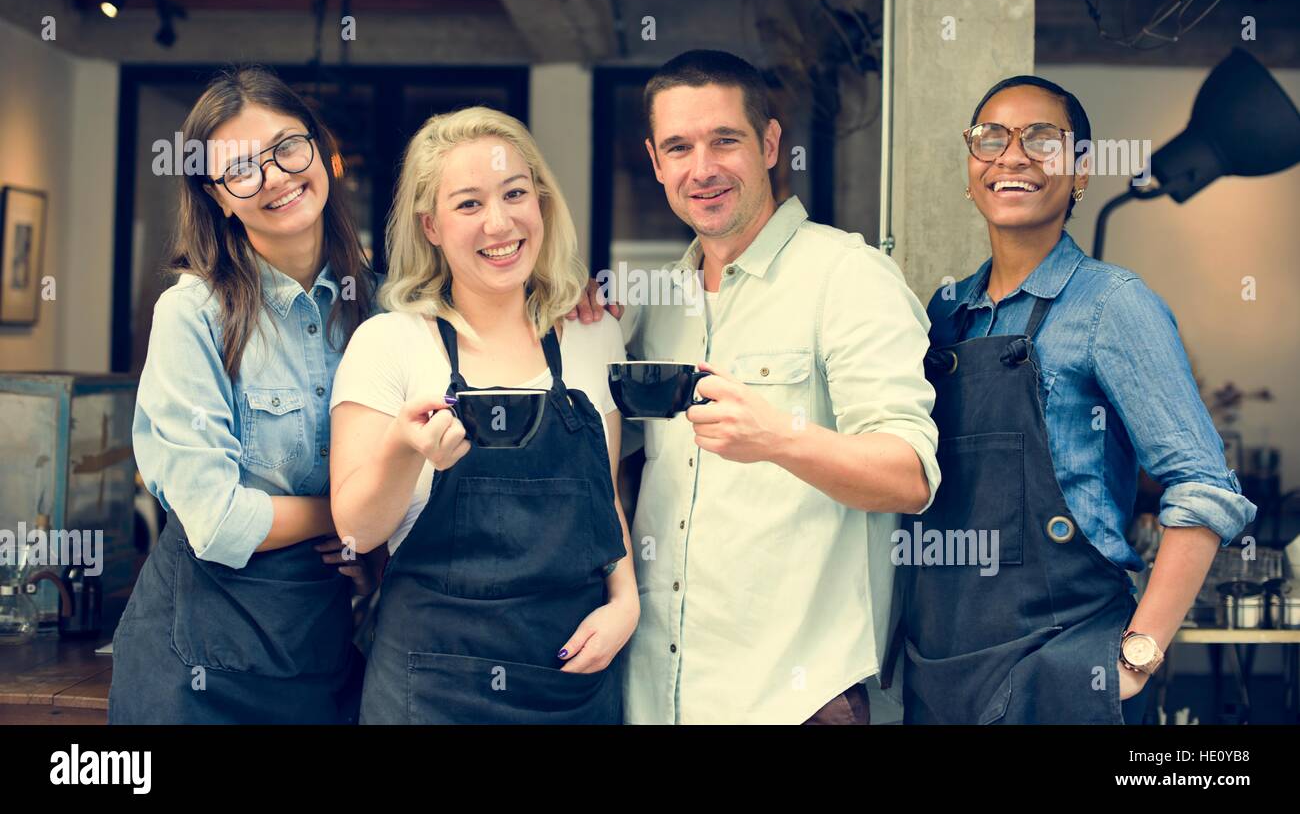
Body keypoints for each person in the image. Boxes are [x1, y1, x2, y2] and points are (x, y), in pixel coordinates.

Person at [888, 75, 1256, 724]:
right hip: (943, 672)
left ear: (1081, 173)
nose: (1012, 155)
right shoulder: (944, 315)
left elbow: (1204, 485)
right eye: (991, 138)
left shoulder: (1112, 304)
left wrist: (1137, 658)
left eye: (1041, 139)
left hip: (1064, 671)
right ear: (972, 167)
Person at [617, 50, 940, 724]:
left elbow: (908, 474)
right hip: (658, 693)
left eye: (724, 140)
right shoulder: (656, 306)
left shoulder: (848, 276)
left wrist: (777, 438)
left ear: (768, 144)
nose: (701, 168)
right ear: (655, 162)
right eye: (679, 146)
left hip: (797, 699)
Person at [330, 107, 637, 724]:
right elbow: (357, 533)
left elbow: (604, 502)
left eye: (515, 193)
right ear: (432, 226)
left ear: (542, 203)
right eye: (468, 204)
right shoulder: (390, 343)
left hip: (571, 674)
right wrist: (402, 448)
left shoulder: (592, 336)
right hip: (432, 682)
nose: (500, 222)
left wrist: (625, 603)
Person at [109, 67, 379, 724]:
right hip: (195, 674)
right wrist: (353, 516)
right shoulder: (193, 314)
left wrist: (566, 301)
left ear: (323, 149)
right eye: (242, 169)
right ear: (218, 196)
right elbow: (218, 519)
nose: (276, 177)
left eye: (288, 147)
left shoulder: (383, 305)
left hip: (327, 654)